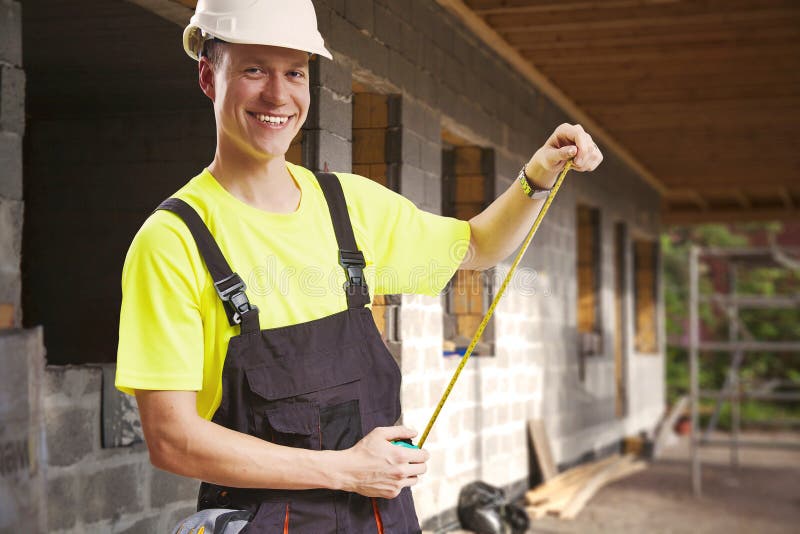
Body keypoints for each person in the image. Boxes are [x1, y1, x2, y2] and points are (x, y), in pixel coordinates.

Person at [115, 1, 603, 532]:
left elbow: (478, 247)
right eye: (254, 69)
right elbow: (172, 439)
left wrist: (539, 174)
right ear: (209, 76)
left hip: (382, 519)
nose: (278, 95)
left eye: (294, 72)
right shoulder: (172, 242)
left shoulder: (349, 207)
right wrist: (347, 470)